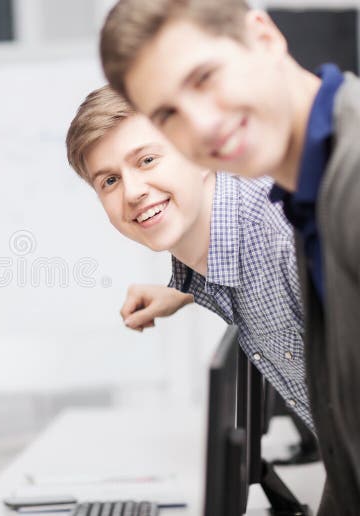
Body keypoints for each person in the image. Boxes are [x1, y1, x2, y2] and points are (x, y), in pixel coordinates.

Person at [99, 0, 360, 510]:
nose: (200, 124)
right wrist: (183, 291)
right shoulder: (309, 202)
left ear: (263, 35)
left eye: (204, 77)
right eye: (168, 114)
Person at [65, 86, 311, 431]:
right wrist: (183, 292)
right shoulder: (227, 250)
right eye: (110, 180)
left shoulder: (285, 240)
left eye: (147, 160)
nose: (132, 192)